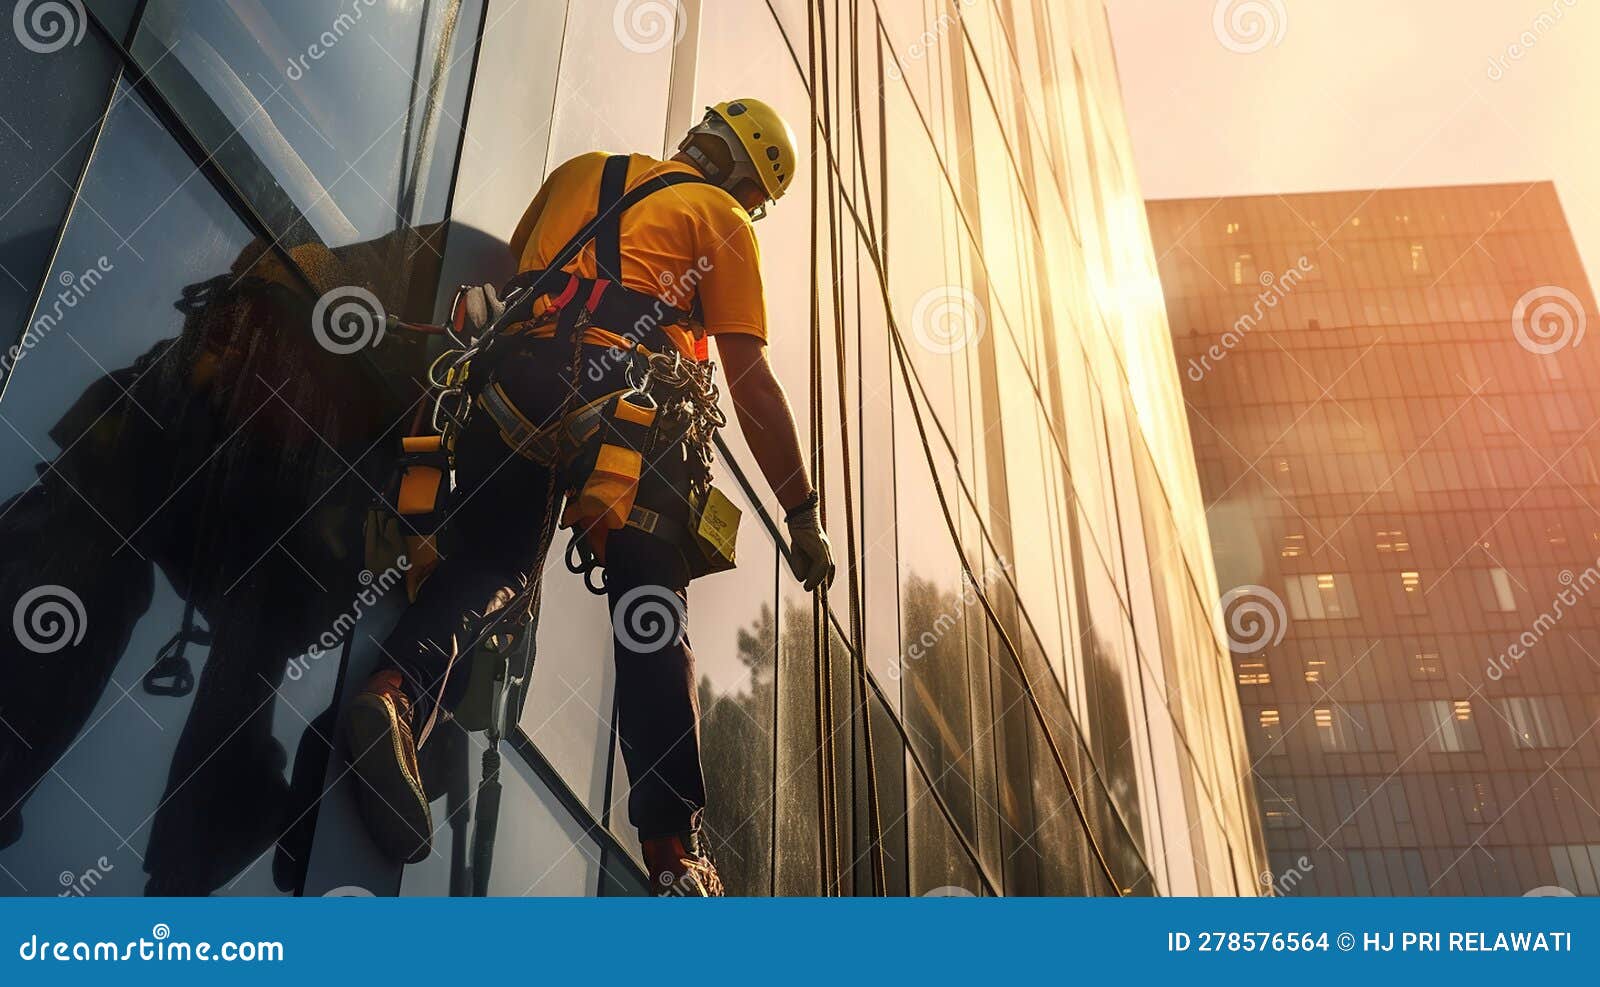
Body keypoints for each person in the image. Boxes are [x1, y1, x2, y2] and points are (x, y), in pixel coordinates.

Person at [343, 98, 834, 896]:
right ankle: (675, 855)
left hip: (514, 388)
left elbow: (513, 279)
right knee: (650, 606)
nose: (747, 210)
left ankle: (393, 696)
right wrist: (801, 509)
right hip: (626, 413)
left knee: (496, 562)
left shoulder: (579, 175)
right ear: (743, 179)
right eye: (753, 199)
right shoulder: (721, 220)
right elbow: (748, 379)